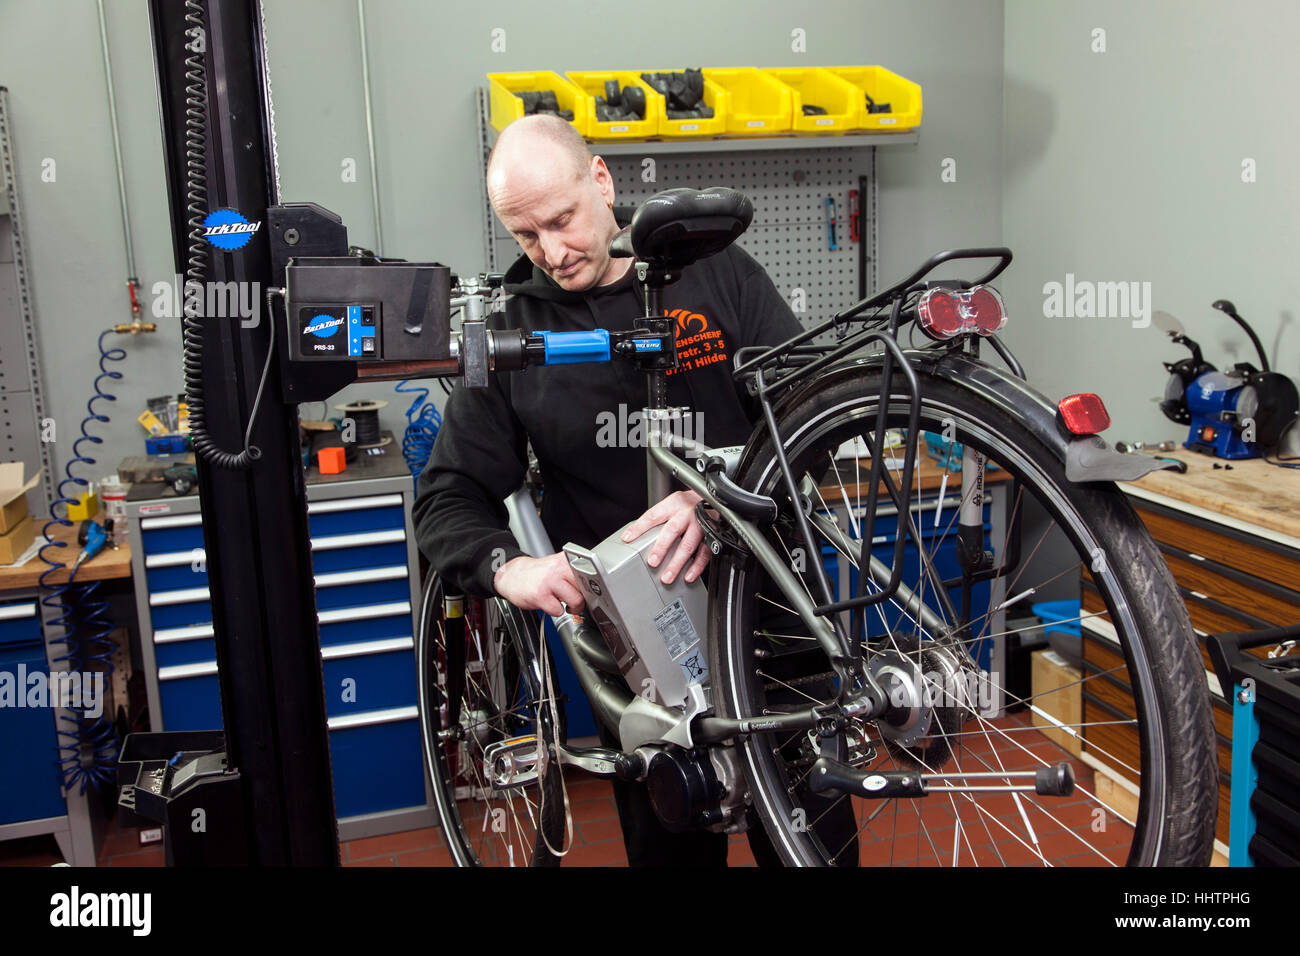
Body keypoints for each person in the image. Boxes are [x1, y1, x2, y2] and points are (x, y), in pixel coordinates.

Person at [413, 113, 857, 866]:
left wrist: (722, 500)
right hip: (640, 653)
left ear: (602, 182)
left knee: (813, 845)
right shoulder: (517, 328)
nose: (552, 252)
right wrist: (511, 568)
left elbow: (808, 417)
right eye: (526, 236)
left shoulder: (718, 274)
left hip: (771, 610)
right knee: (673, 846)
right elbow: (446, 495)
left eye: (561, 220)